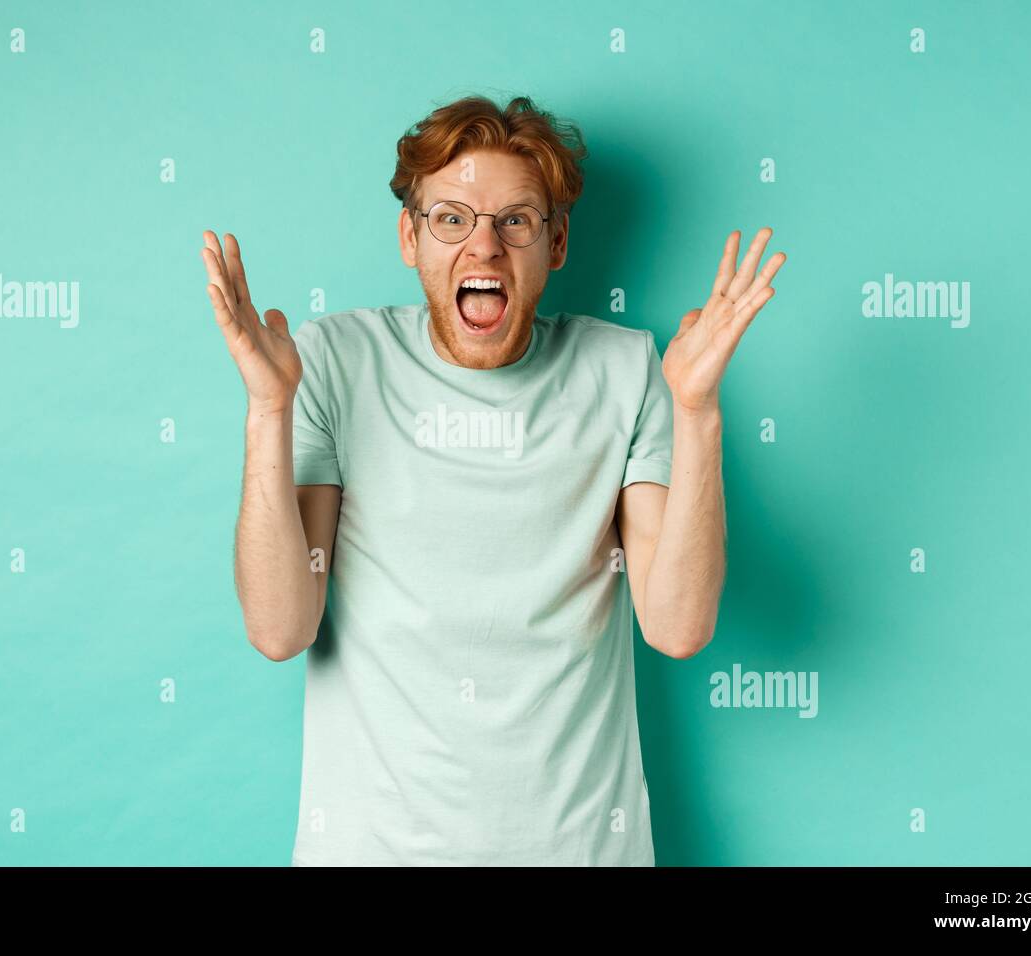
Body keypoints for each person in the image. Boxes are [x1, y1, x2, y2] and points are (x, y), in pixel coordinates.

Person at [199, 94, 785, 866]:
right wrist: (269, 410)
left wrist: (697, 411)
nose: (484, 249)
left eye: (515, 220)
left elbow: (677, 627)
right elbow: (280, 629)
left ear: (557, 242)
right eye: (451, 219)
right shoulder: (335, 362)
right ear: (410, 236)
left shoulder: (626, 370)